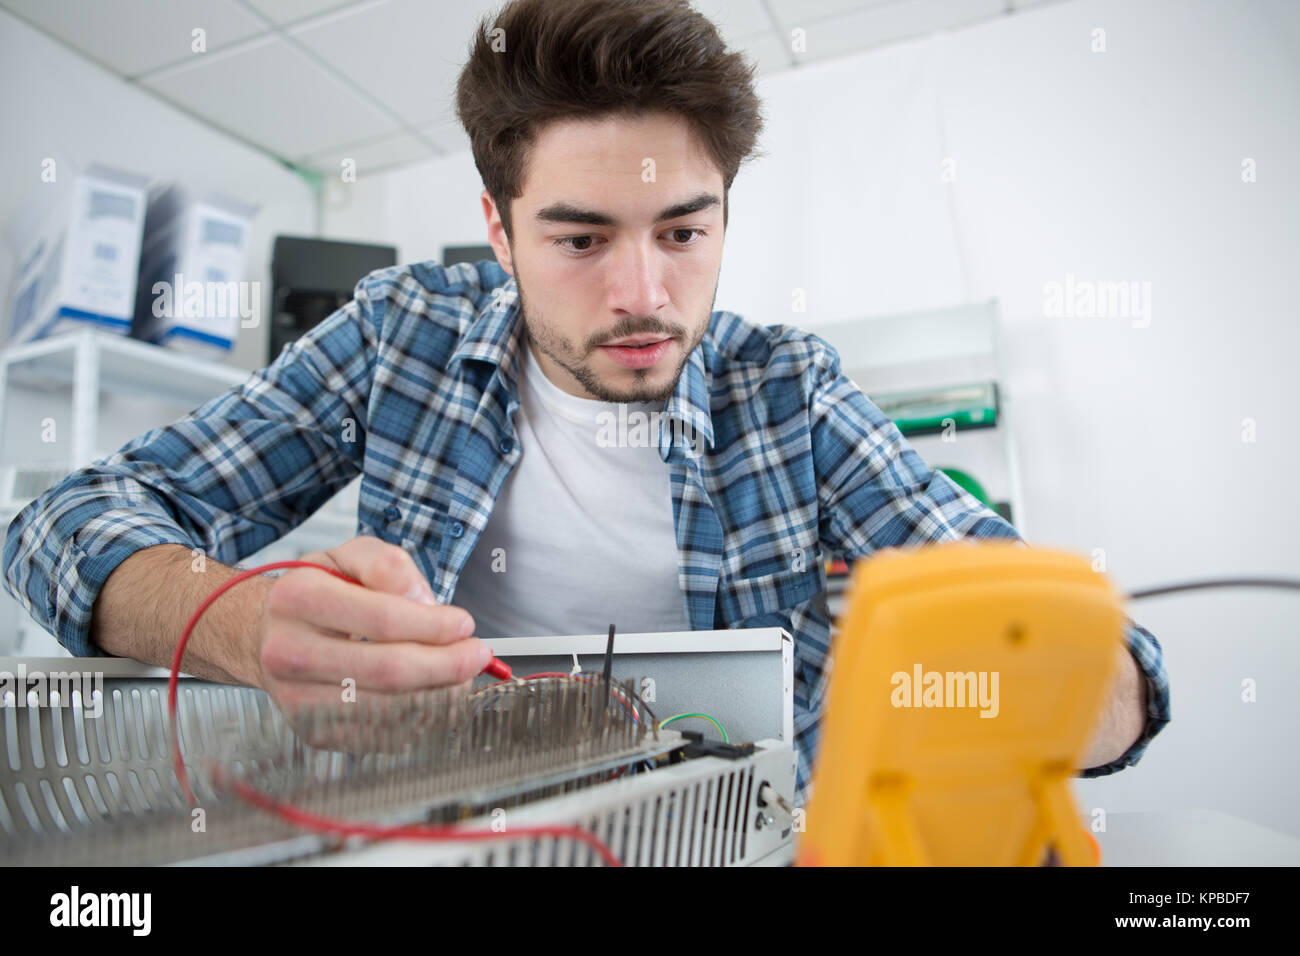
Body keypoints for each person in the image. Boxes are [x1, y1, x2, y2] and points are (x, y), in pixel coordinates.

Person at [1, 0, 1169, 806]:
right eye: (578, 237)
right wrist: (240, 621)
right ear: (498, 228)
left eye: (682, 232)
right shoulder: (400, 334)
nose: (642, 294)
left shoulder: (791, 395)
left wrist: (1023, 687)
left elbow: (1113, 664)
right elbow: (64, 523)